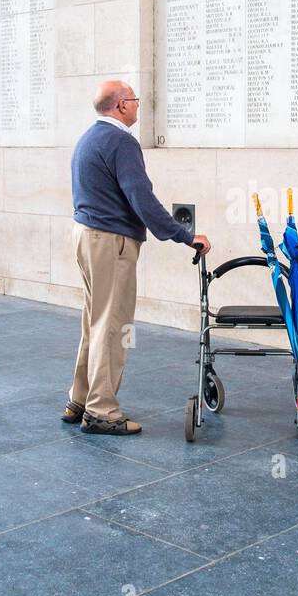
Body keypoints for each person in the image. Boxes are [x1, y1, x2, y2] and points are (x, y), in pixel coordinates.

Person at [64, 80, 211, 435]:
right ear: (120, 106)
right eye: (134, 100)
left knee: (94, 322)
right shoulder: (121, 142)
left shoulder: (89, 138)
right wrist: (185, 235)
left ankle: (80, 399)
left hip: (86, 236)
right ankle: (101, 411)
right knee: (113, 327)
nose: (138, 106)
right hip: (110, 243)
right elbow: (141, 199)